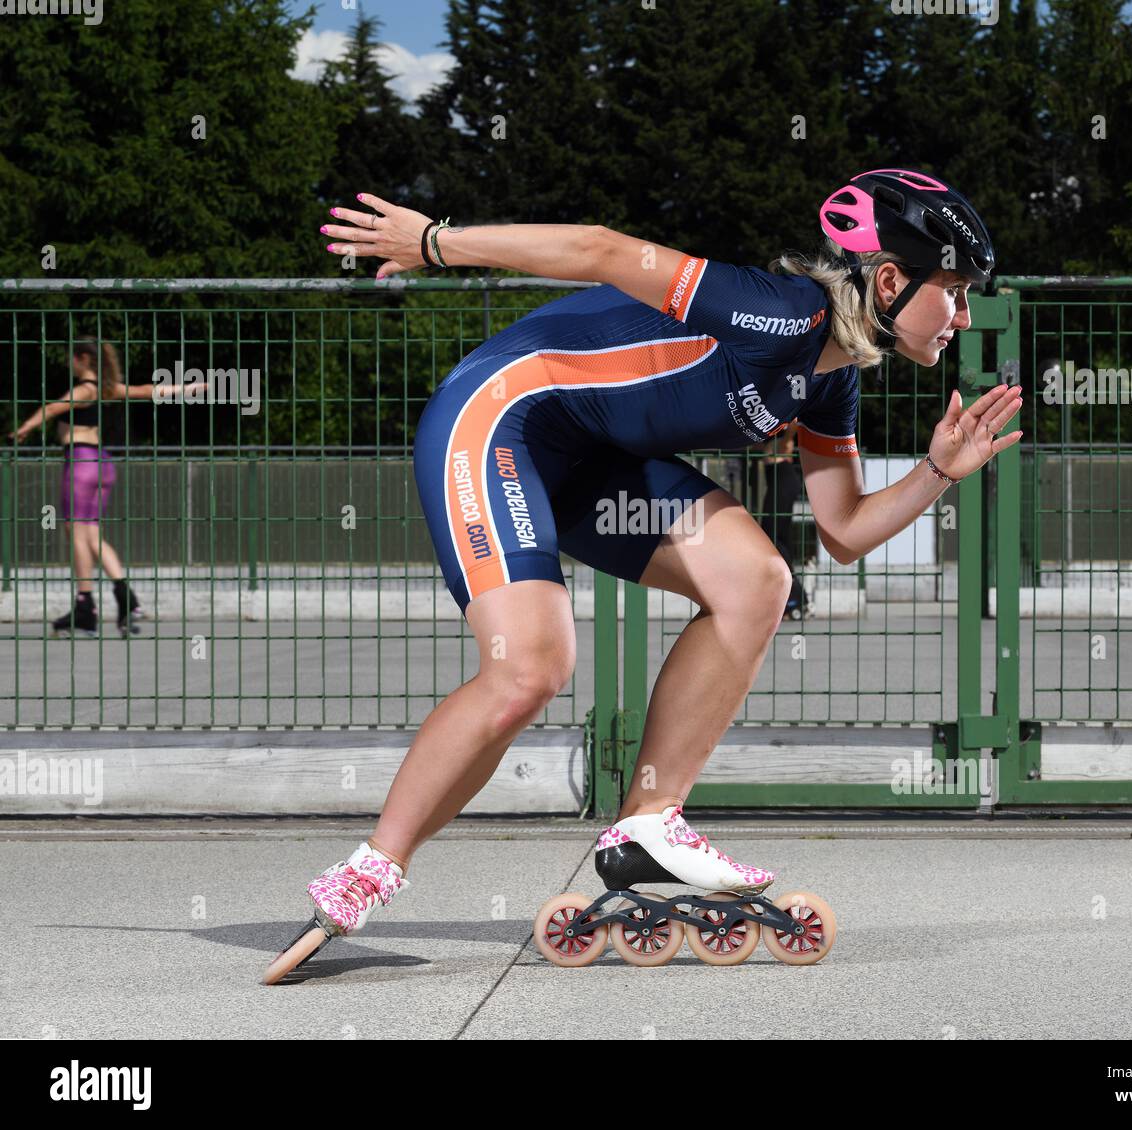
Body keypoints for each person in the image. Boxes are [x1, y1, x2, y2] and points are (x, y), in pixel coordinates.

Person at [286, 168, 1023, 956]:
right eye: (955, 291)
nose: (965, 315)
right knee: (531, 667)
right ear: (888, 279)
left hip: (590, 463)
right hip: (500, 423)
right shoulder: (778, 313)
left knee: (757, 581)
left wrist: (936, 470)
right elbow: (601, 250)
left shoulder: (828, 383)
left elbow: (841, 529)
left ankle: (648, 819)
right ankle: (371, 867)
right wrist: (434, 242)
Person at [7, 337, 199, 637]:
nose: (71, 363)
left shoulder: (84, 389)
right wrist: (188, 389)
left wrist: (23, 429)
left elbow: (53, 408)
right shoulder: (107, 388)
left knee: (76, 531)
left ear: (83, 358)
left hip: (80, 461)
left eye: (73, 357)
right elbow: (147, 391)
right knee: (93, 534)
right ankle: (127, 599)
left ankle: (85, 607)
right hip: (103, 463)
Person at [756, 425, 811, 619]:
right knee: (779, 535)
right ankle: (795, 596)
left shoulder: (783, 442)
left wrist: (788, 422)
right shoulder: (766, 441)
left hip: (783, 483)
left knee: (770, 533)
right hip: (780, 485)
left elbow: (794, 426)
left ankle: (792, 587)